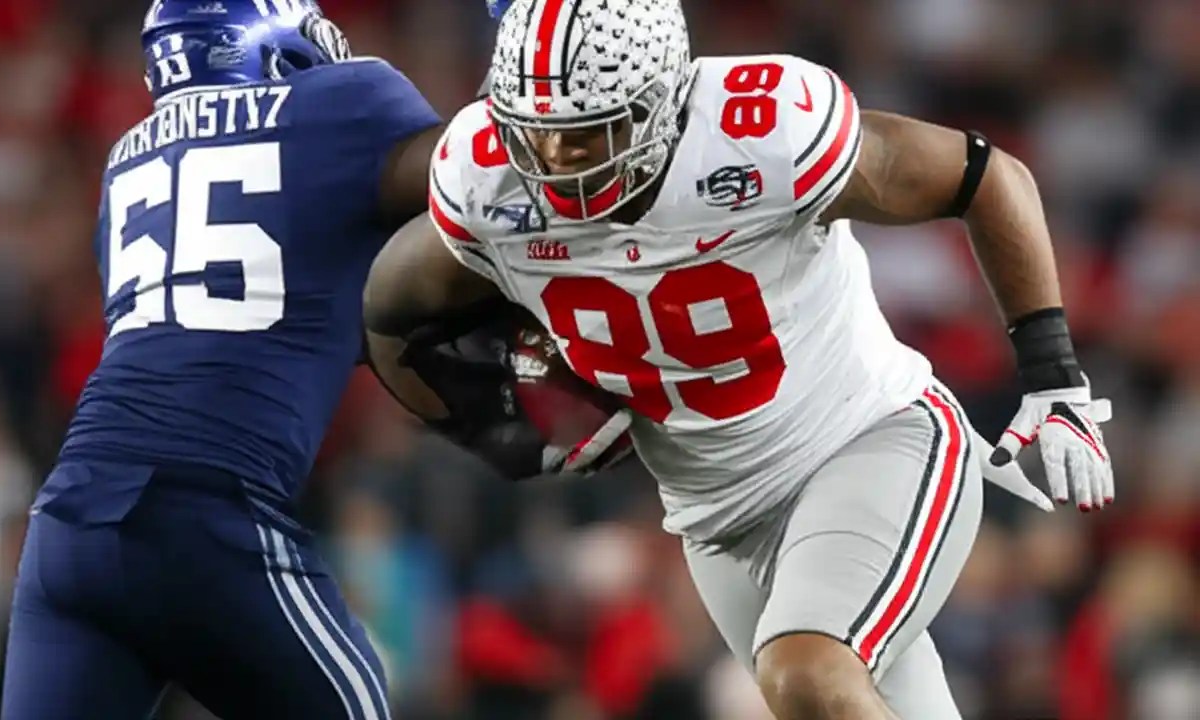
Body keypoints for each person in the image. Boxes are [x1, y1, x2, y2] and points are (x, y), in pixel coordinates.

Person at [361, 0, 1115, 717]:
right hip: (716, 521)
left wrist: (1054, 380)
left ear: (658, 105)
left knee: (807, 671)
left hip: (866, 440)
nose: (553, 159)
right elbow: (391, 318)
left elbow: (986, 176)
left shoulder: (762, 133)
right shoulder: (488, 185)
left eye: (585, 133)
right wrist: (506, 436)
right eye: (533, 132)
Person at [0, 2, 444, 718]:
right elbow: (481, 174)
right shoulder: (346, 104)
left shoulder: (127, 160)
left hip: (67, 530)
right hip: (205, 514)